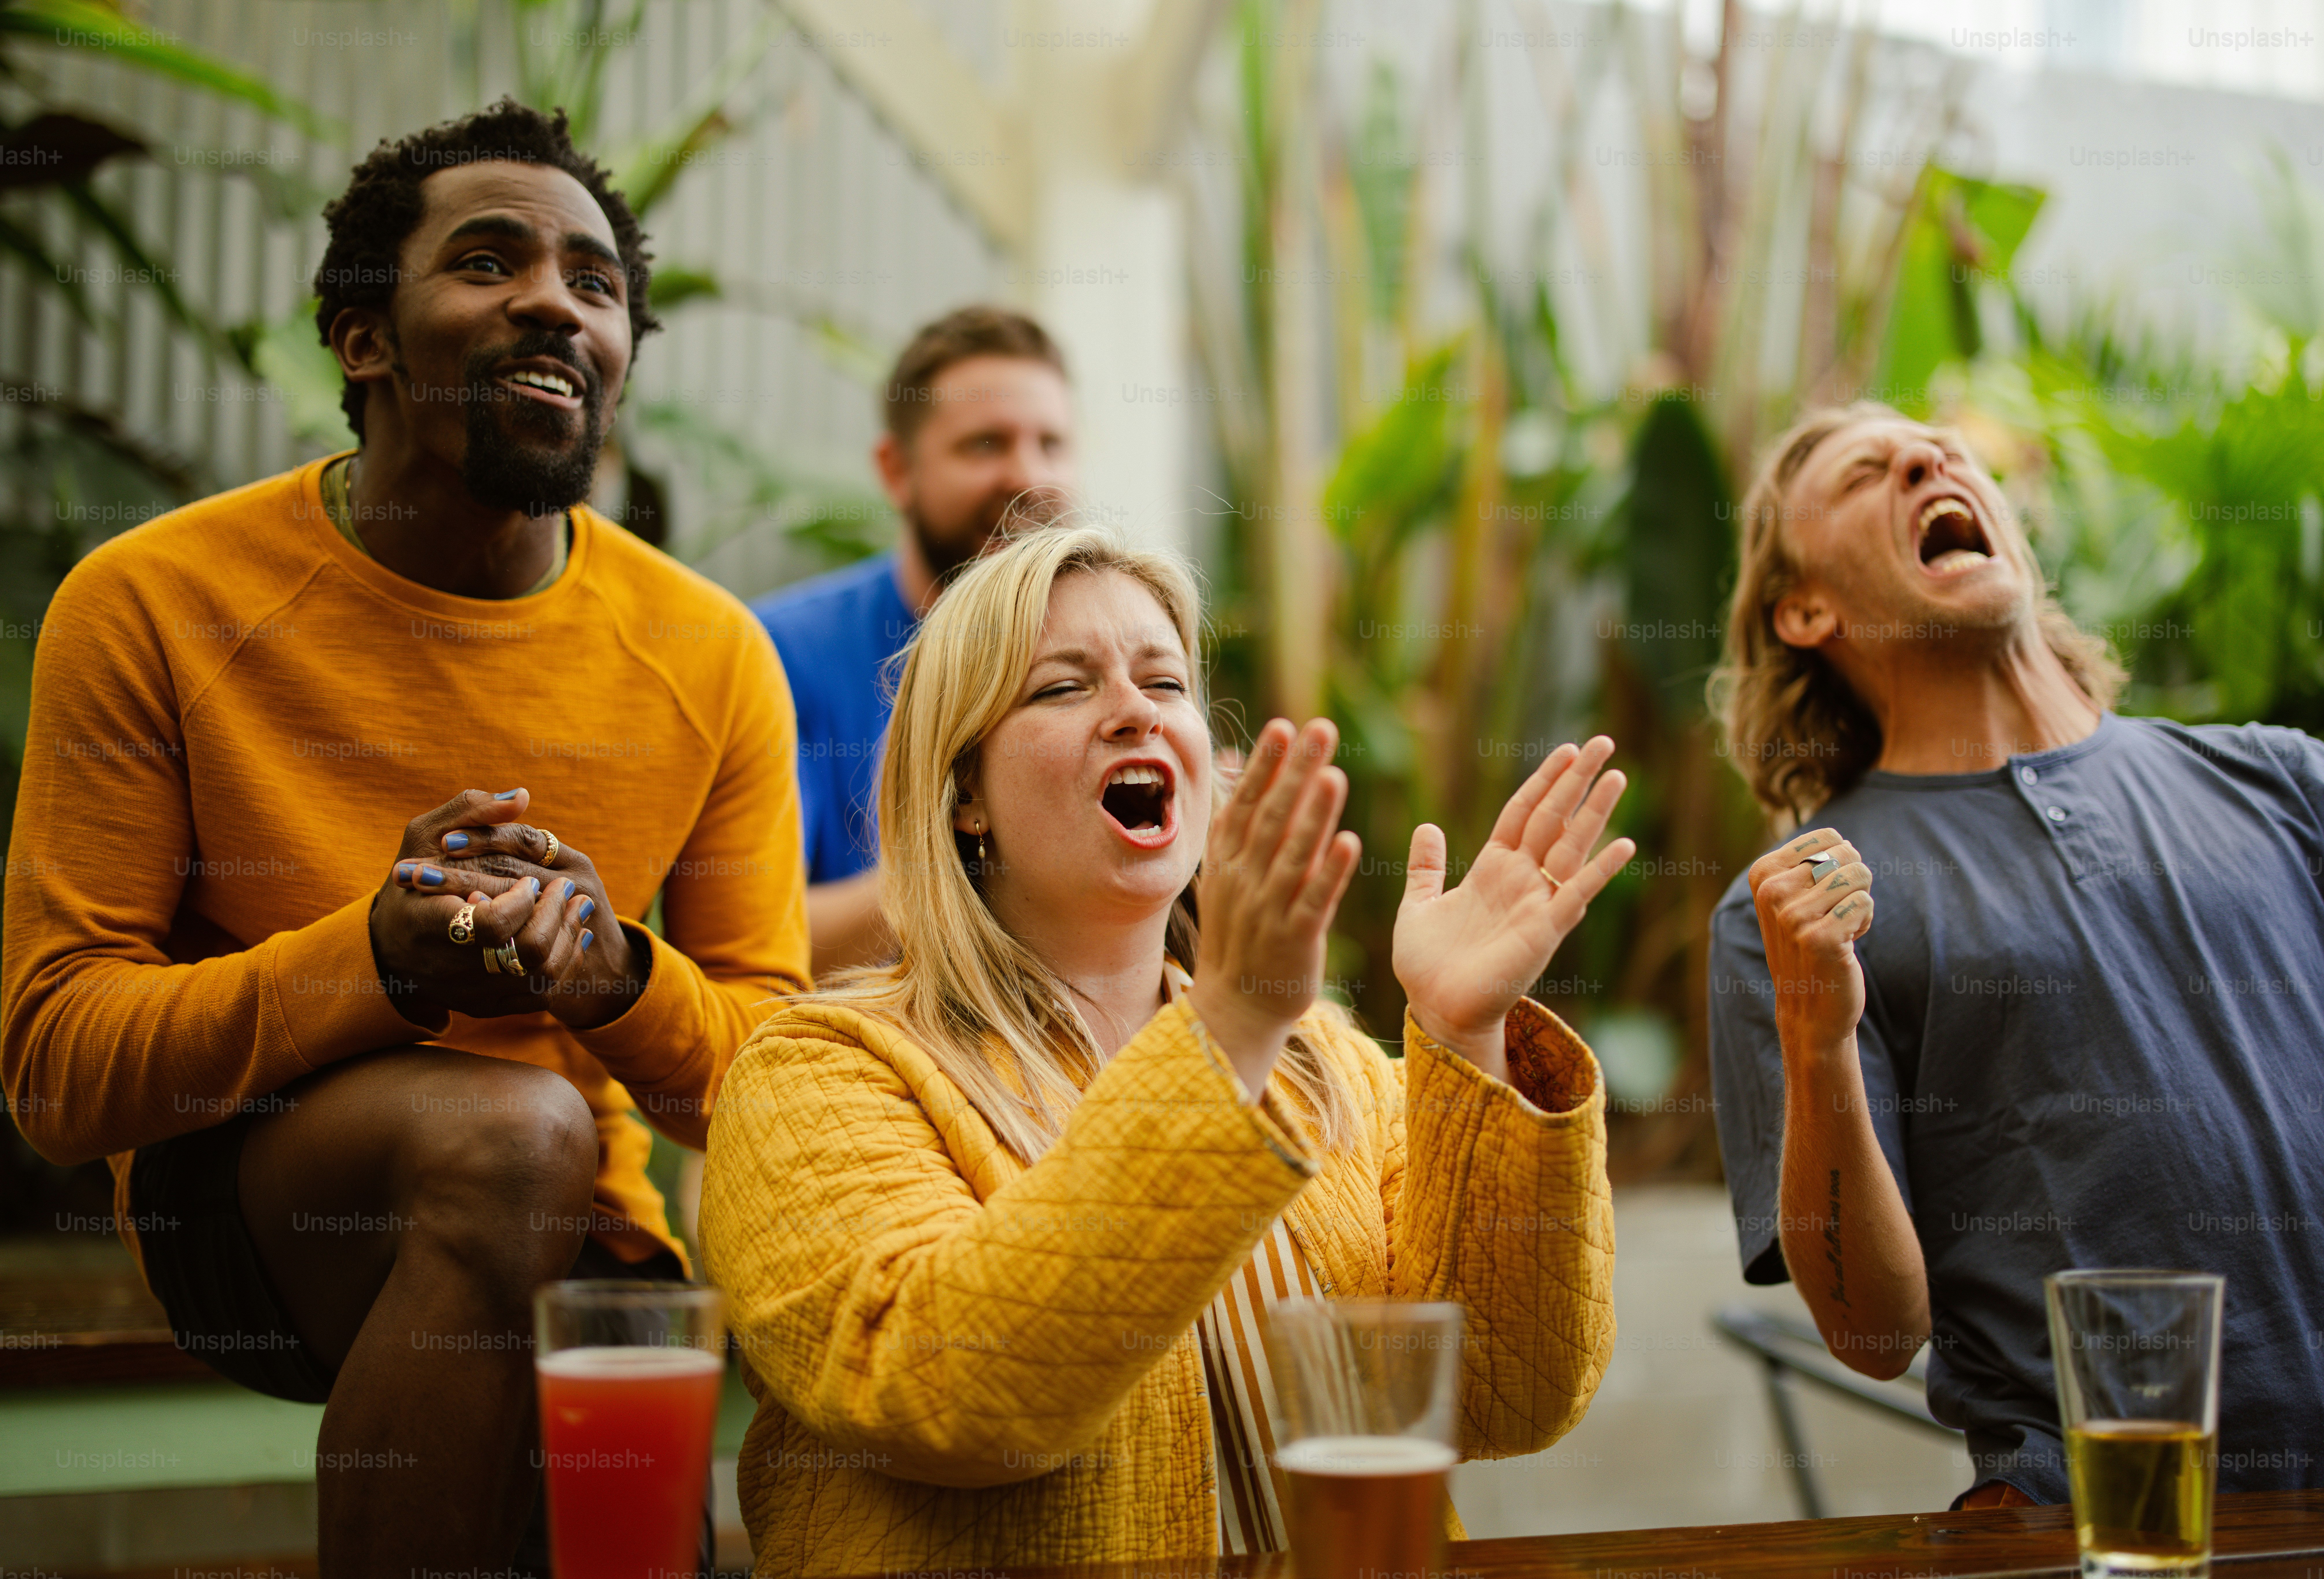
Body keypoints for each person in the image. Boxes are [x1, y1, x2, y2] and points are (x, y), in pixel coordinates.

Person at [0, 100, 809, 1573]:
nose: (554, 300)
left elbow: (770, 1074)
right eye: (489, 262)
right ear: (366, 340)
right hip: (241, 1190)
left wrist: (611, 977)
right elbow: (57, 1071)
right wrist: (374, 954)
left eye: (596, 282)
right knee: (508, 1132)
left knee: (623, 1532)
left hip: (587, 1228)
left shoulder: (709, 654)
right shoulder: (151, 601)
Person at [700, 525, 1627, 1574]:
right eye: (1062, 688)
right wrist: (1226, 1028)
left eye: (1165, 680)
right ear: (963, 794)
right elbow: (953, 1395)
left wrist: (1462, 1035)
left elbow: (1505, 1394)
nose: (1135, 709)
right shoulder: (819, 1071)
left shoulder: (1328, 1061)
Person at [1704, 401, 2324, 1508]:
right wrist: (1817, 1041)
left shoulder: (2292, 784)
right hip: (2106, 1521)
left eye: (1942, 448)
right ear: (1805, 608)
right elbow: (1872, 1331)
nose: (1926, 456)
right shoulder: (1798, 907)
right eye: (1866, 472)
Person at [749, 305, 1075, 976]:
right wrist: (990, 858)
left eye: (1050, 444)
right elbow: (760, 938)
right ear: (896, 469)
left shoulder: (1114, 653)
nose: (1026, 475)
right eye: (985, 444)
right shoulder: (781, 654)